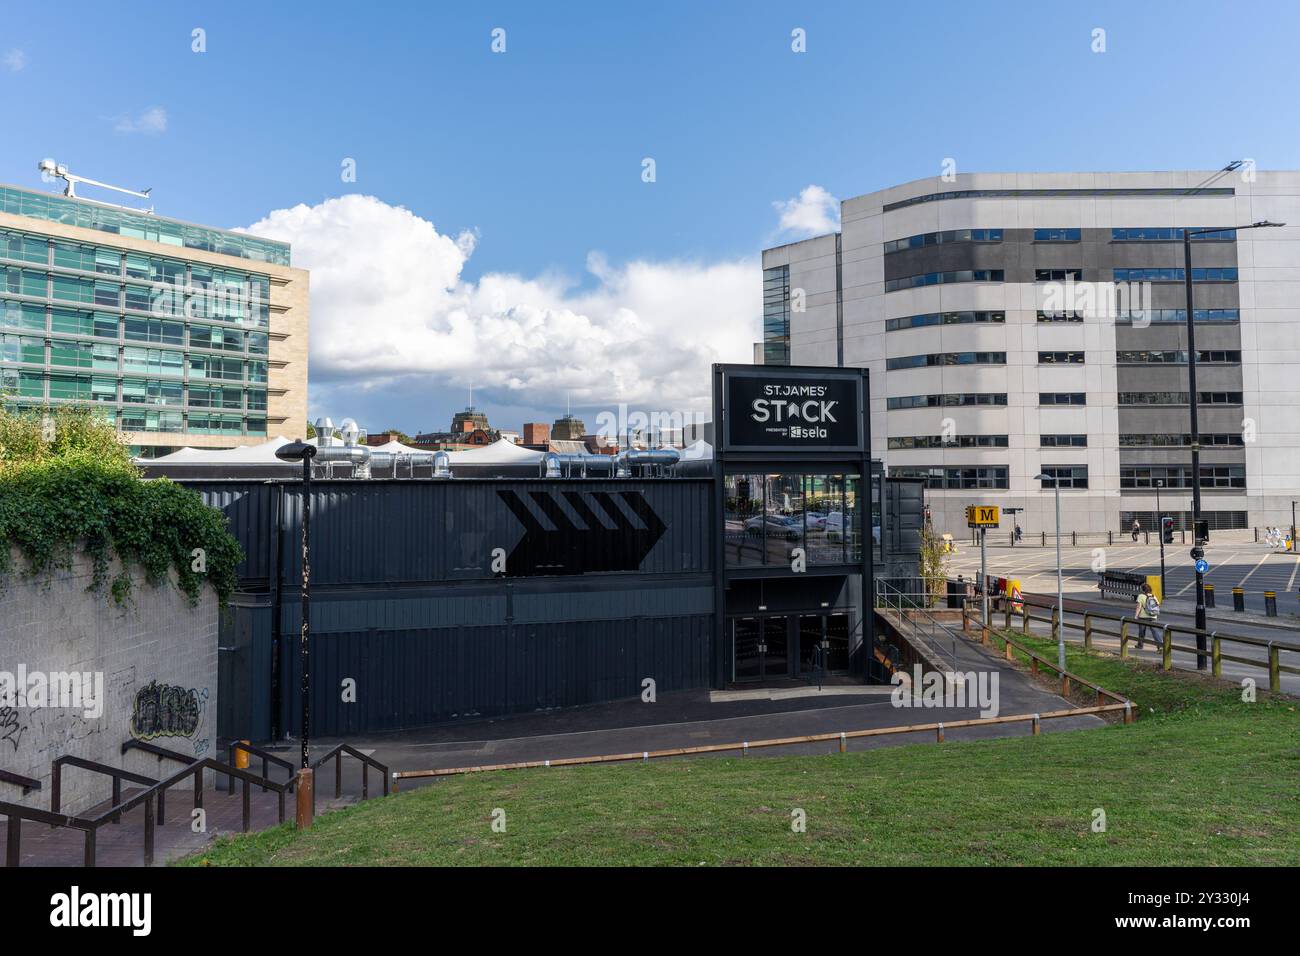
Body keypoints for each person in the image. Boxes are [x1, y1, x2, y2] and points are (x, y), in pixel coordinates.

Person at [1135, 582, 1160, 650]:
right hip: (1153, 616)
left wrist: (1136, 616)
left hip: (1143, 617)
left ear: (1143, 589)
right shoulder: (1153, 596)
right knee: (1155, 631)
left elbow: (1138, 607)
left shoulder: (1141, 596)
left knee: (1142, 631)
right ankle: (1160, 645)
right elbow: (1158, 605)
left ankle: (1140, 645)